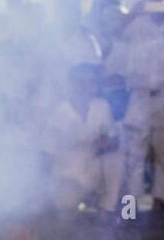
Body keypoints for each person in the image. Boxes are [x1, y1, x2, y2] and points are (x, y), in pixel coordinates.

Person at [104, 0, 164, 211]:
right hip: (139, 96)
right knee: (135, 154)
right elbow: (113, 31)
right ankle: (134, 205)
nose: (159, 0)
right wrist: (136, 9)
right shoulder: (135, 24)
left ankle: (161, 202)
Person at [44, 63, 122, 211]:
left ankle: (107, 207)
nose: (88, 86)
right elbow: (47, 153)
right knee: (66, 210)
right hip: (67, 173)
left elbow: (115, 140)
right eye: (82, 82)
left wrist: (106, 143)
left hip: (93, 166)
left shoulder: (102, 106)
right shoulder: (59, 112)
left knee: (116, 158)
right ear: (72, 84)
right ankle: (76, 201)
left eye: (91, 82)